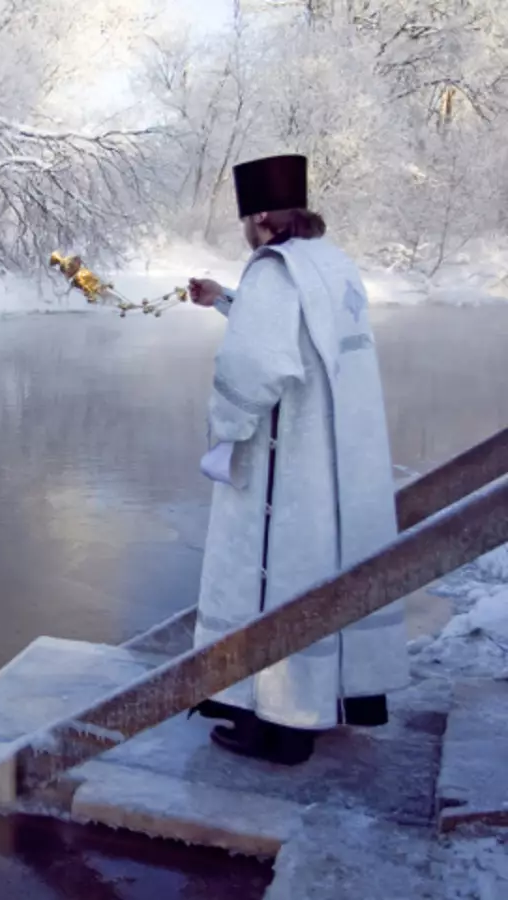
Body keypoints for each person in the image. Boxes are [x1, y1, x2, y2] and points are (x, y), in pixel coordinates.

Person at [184, 154, 409, 766]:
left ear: (260, 216)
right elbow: (298, 333)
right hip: (336, 464)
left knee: (275, 581)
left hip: (287, 469)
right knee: (321, 573)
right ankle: (321, 702)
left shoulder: (274, 271)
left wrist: (223, 432)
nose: (246, 234)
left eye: (246, 222)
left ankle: (280, 727)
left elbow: (257, 363)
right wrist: (228, 299)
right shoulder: (331, 264)